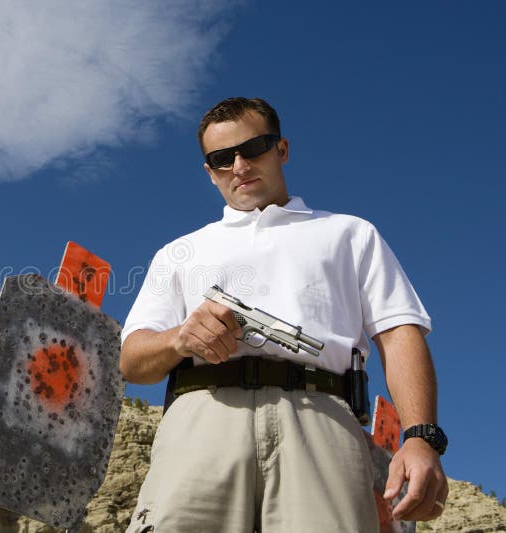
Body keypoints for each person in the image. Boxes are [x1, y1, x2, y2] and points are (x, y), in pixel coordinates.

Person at [119, 97, 447, 532]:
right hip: (200, 419)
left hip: (322, 419)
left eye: (252, 148)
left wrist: (422, 439)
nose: (238, 166)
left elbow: (400, 332)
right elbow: (130, 360)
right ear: (209, 171)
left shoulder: (350, 233)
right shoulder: (178, 252)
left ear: (282, 149)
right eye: (220, 159)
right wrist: (179, 338)